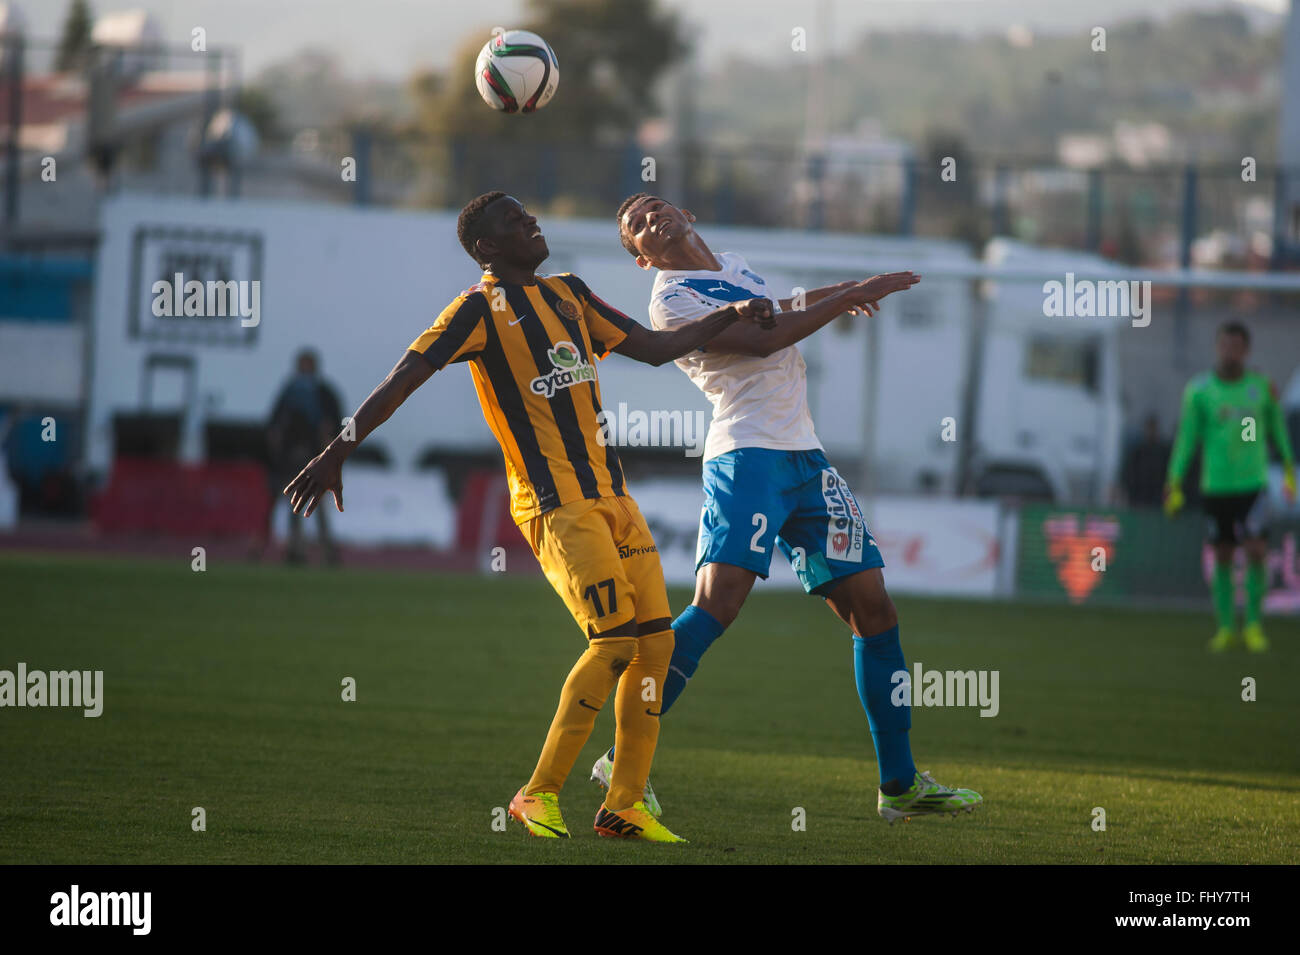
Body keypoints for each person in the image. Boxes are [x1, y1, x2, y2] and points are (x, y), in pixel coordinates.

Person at [283, 191, 777, 842]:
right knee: (614, 641)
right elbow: (407, 373)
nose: (532, 222)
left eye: (528, 215)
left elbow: (657, 348)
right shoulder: (476, 310)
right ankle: (537, 792)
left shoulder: (570, 293)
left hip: (614, 496)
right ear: (488, 247)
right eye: (517, 221)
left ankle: (625, 803)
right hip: (555, 503)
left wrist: (728, 314)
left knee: (655, 642)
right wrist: (336, 449)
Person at [592, 193, 982, 824]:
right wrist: (845, 298)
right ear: (641, 258)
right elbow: (759, 340)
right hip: (747, 456)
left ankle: (900, 785)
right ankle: (621, 756)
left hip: (806, 458)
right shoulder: (669, 299)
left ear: (687, 212)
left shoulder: (736, 265)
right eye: (636, 226)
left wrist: (852, 288)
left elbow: (785, 307)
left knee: (875, 611)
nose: (650, 220)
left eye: (656, 208)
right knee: (716, 606)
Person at [1164, 321, 1296, 652]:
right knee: (1223, 554)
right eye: (1225, 345)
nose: (1230, 352)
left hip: (1254, 485)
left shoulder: (1261, 387)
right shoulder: (1200, 390)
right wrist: (1174, 480)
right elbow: (1186, 439)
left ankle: (1253, 624)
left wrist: (1290, 470)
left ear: (1246, 350)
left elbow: (1277, 431)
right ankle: (1225, 627)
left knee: (1256, 550)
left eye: (1236, 346)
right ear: (1216, 347)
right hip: (1216, 485)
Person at [267, 349, 344, 565]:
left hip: (313, 457)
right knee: (298, 505)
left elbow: (333, 427)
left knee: (315, 507)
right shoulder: (297, 392)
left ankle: (324, 553)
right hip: (296, 458)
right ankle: (299, 551)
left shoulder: (309, 393)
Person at [1120, 413, 1170, 509]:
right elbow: (1129, 474)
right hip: (1138, 499)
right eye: (1149, 428)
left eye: (1153, 428)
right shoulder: (1137, 450)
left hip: (1157, 500)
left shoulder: (1163, 451)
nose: (1151, 431)